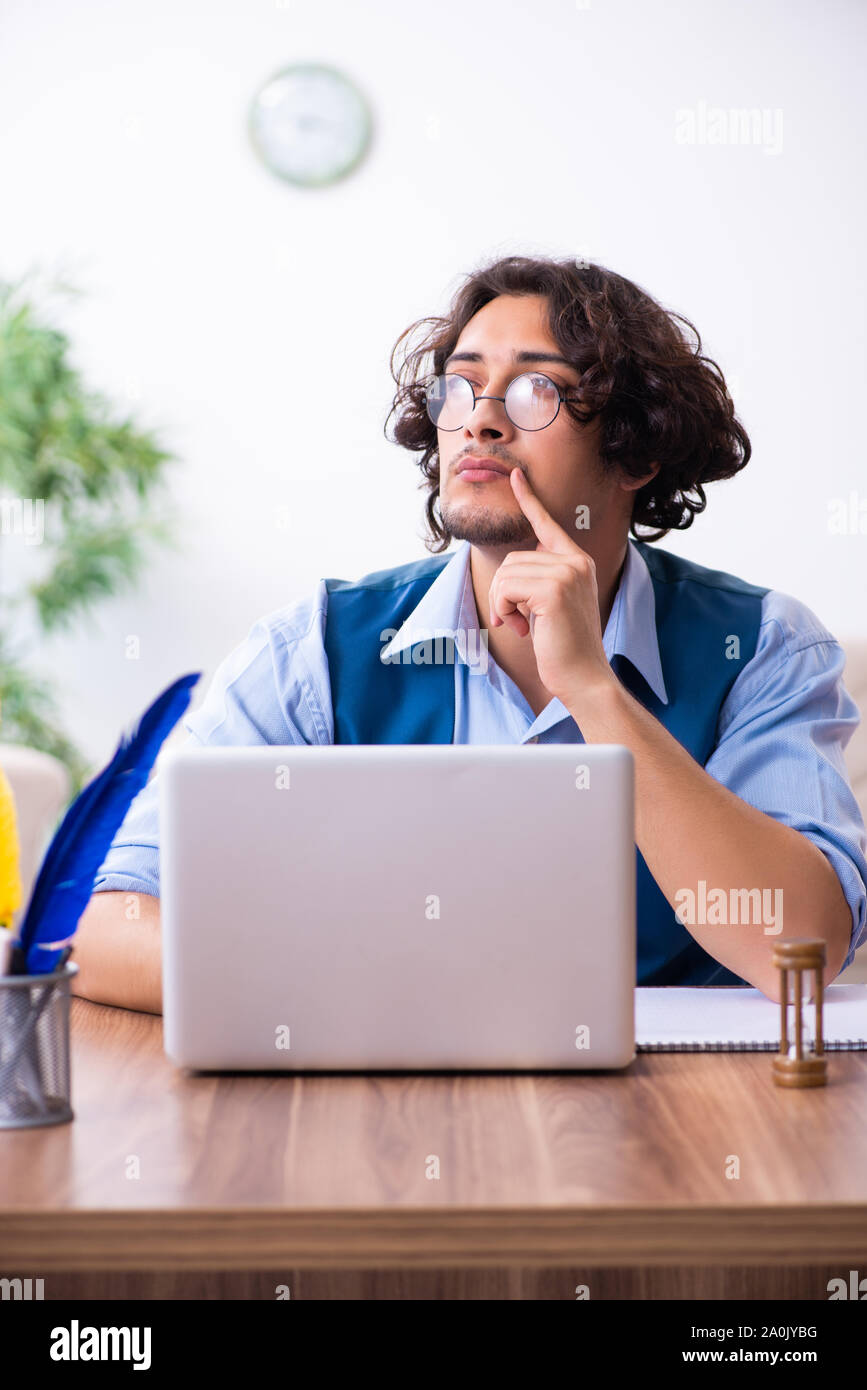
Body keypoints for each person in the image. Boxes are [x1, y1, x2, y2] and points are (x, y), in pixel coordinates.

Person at [72, 255, 867, 1015]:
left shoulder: (762, 646)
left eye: (534, 391)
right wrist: (363, 1000)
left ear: (636, 449)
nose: (480, 420)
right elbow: (108, 928)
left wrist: (595, 694)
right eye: (460, 387)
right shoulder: (312, 650)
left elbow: (795, 950)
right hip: (383, 1111)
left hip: (684, 1121)